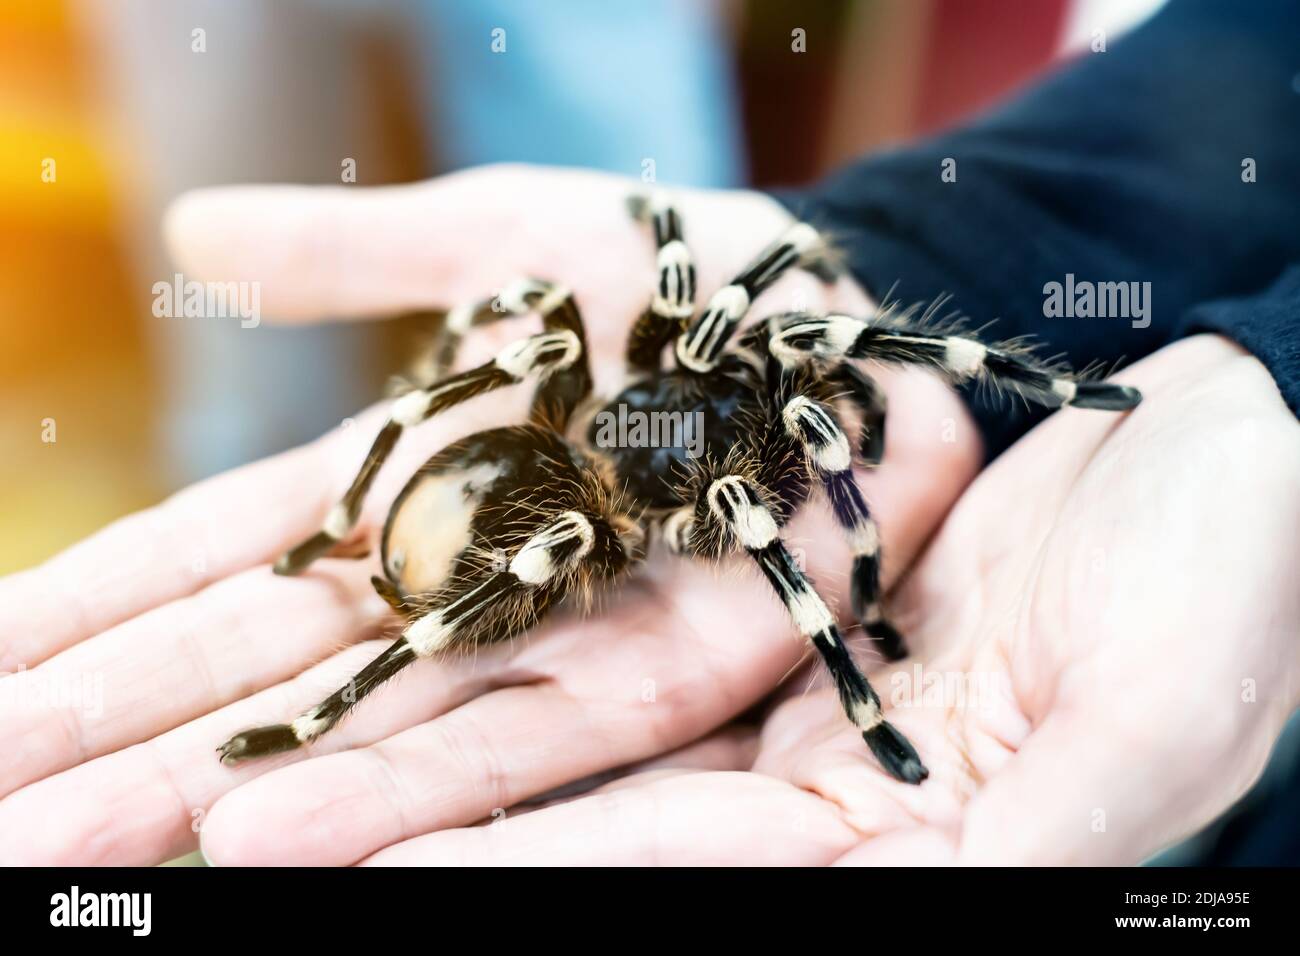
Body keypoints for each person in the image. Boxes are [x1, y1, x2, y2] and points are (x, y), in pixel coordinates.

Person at [0, 0, 1296, 865]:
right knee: (571, 495)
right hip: (560, 507)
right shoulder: (697, 482)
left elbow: (792, 360)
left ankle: (359, 591)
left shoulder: (705, 383)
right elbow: (785, 523)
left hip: (569, 464)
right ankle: (339, 685)